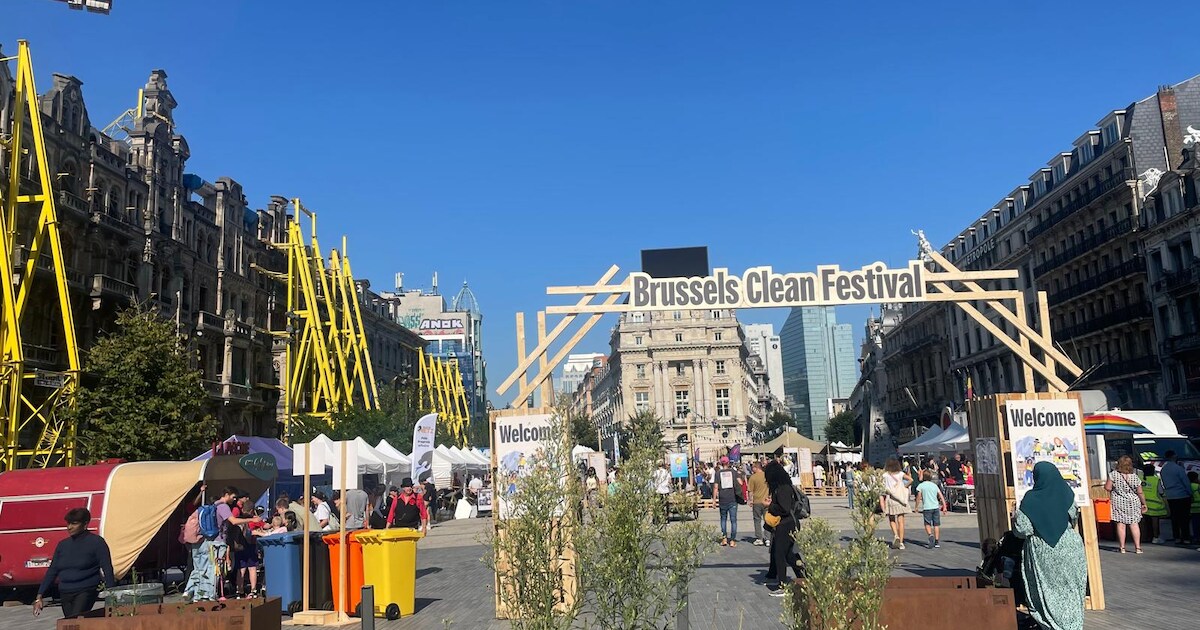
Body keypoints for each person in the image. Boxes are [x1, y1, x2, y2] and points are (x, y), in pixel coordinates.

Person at [1014, 462, 1087, 630]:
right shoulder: (1066, 493)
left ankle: (1053, 624)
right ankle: (1073, 625)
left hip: (1044, 549)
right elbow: (1073, 517)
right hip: (1071, 545)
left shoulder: (1031, 499)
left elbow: (1023, 529)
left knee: (1047, 589)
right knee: (1071, 588)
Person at [33, 508, 115, 619]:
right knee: (70, 622)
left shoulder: (97, 542)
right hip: (65, 591)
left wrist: (111, 593)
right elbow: (52, 571)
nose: (69, 527)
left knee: (75, 620)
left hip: (86, 590)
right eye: (68, 523)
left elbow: (107, 568)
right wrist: (40, 595)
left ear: (85, 524)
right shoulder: (62, 545)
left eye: (74, 523)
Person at [764, 448, 802, 596]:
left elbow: (784, 508)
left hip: (787, 524)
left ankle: (783, 584)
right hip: (786, 523)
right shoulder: (782, 488)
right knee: (788, 555)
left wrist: (770, 505)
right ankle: (804, 576)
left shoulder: (784, 488)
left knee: (781, 554)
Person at [1105, 455, 1146, 553]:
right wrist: (1144, 503)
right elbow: (1140, 492)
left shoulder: (1113, 475)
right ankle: (1138, 548)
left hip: (1118, 501)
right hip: (1133, 502)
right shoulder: (1135, 477)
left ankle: (1122, 547)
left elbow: (1108, 488)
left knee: (1121, 524)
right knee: (1134, 524)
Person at [1158, 450, 1193, 545]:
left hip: (1170, 495)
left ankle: (1176, 537)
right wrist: (1190, 493)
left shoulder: (1163, 469)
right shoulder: (1178, 468)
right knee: (1184, 518)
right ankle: (1186, 537)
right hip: (1182, 495)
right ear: (1174, 456)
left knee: (1174, 517)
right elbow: (1185, 482)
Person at [880, 458, 912, 549]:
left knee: (891, 518)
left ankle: (895, 535)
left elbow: (882, 486)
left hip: (891, 498)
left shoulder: (885, 475)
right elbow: (911, 479)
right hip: (900, 499)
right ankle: (901, 542)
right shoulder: (901, 474)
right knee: (901, 521)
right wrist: (904, 487)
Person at [713, 456, 743, 547]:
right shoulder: (733, 472)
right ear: (728, 463)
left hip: (722, 499)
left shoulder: (718, 473)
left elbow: (715, 487)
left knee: (723, 519)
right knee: (733, 520)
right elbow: (741, 483)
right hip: (732, 498)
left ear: (721, 463)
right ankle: (733, 540)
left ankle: (724, 539)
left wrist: (714, 500)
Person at [915, 470, 947, 548]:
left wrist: (916, 506)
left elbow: (918, 497)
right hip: (935, 507)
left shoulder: (921, 486)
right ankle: (936, 541)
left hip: (927, 507)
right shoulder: (934, 485)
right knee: (936, 524)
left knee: (927, 523)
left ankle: (930, 535)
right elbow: (941, 495)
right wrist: (944, 506)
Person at [1141, 464, 1167, 544]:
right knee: (1155, 521)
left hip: (1142, 503)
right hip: (1154, 504)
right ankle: (1155, 537)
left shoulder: (1140, 478)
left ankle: (1145, 537)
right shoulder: (1156, 480)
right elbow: (1161, 492)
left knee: (1144, 522)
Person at [747, 461, 770, 546]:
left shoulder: (753, 477)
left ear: (756, 467)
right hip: (767, 501)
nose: (752, 469)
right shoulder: (767, 476)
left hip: (757, 502)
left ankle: (759, 538)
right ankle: (768, 538)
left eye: (753, 467)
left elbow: (750, 491)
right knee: (767, 520)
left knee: (757, 520)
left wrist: (750, 500)